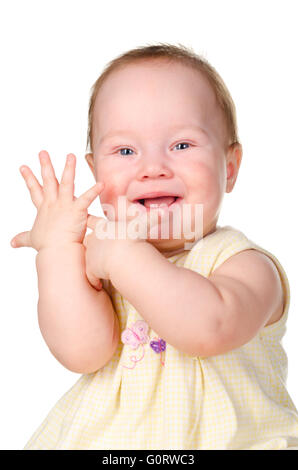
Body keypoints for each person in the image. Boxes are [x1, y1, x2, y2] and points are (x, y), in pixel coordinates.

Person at [11, 43, 298, 450]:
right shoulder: (99, 260)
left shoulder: (244, 265)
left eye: (181, 145)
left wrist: (124, 255)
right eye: (125, 151)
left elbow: (208, 328)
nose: (152, 168)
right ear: (95, 172)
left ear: (229, 168)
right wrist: (56, 252)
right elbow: (82, 351)